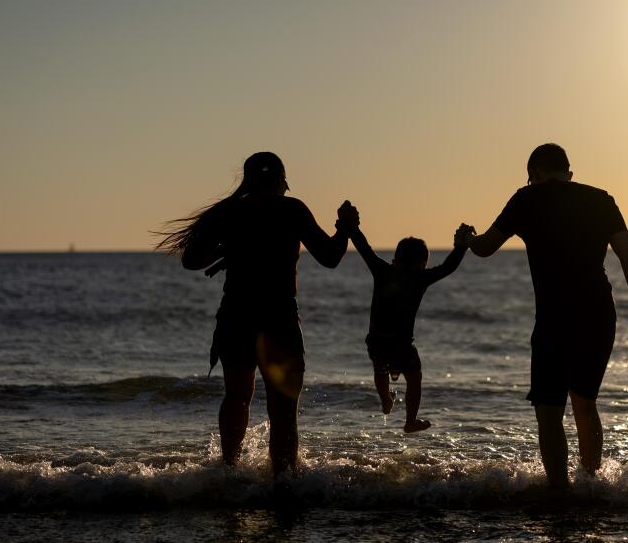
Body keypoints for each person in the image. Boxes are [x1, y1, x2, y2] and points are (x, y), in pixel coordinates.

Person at [463, 143, 628, 489]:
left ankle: (559, 493)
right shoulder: (601, 200)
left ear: (534, 173)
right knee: (585, 404)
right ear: (569, 173)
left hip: (555, 318)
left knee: (549, 411)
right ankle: (591, 484)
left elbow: (485, 248)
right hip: (598, 314)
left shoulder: (525, 199)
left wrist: (466, 238)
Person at [156, 151, 358, 475]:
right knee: (283, 408)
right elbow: (330, 257)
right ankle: (283, 481)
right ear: (281, 180)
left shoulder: (228, 212)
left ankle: (229, 471)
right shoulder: (292, 210)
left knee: (237, 397)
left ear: (247, 180)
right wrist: (346, 229)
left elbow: (191, 260)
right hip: (277, 316)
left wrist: (229, 248)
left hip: (236, 314)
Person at [350, 223, 476, 432]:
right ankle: (410, 421)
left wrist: (352, 227)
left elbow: (364, 248)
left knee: (379, 369)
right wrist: (461, 247)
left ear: (395, 259)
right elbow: (448, 267)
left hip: (376, 340)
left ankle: (385, 401)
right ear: (421, 263)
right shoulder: (420, 277)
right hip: (401, 344)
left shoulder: (382, 270)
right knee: (414, 378)